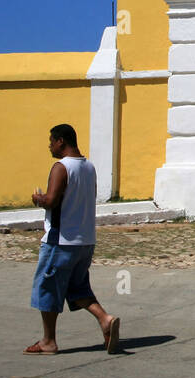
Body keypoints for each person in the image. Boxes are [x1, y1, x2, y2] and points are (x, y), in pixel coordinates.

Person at [23, 123, 121, 355]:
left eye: (51, 141)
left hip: (61, 240)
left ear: (61, 141)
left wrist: (39, 198)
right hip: (85, 240)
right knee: (76, 288)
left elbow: (52, 201)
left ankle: (48, 341)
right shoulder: (89, 167)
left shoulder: (61, 167)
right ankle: (105, 319)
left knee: (47, 288)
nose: (49, 146)